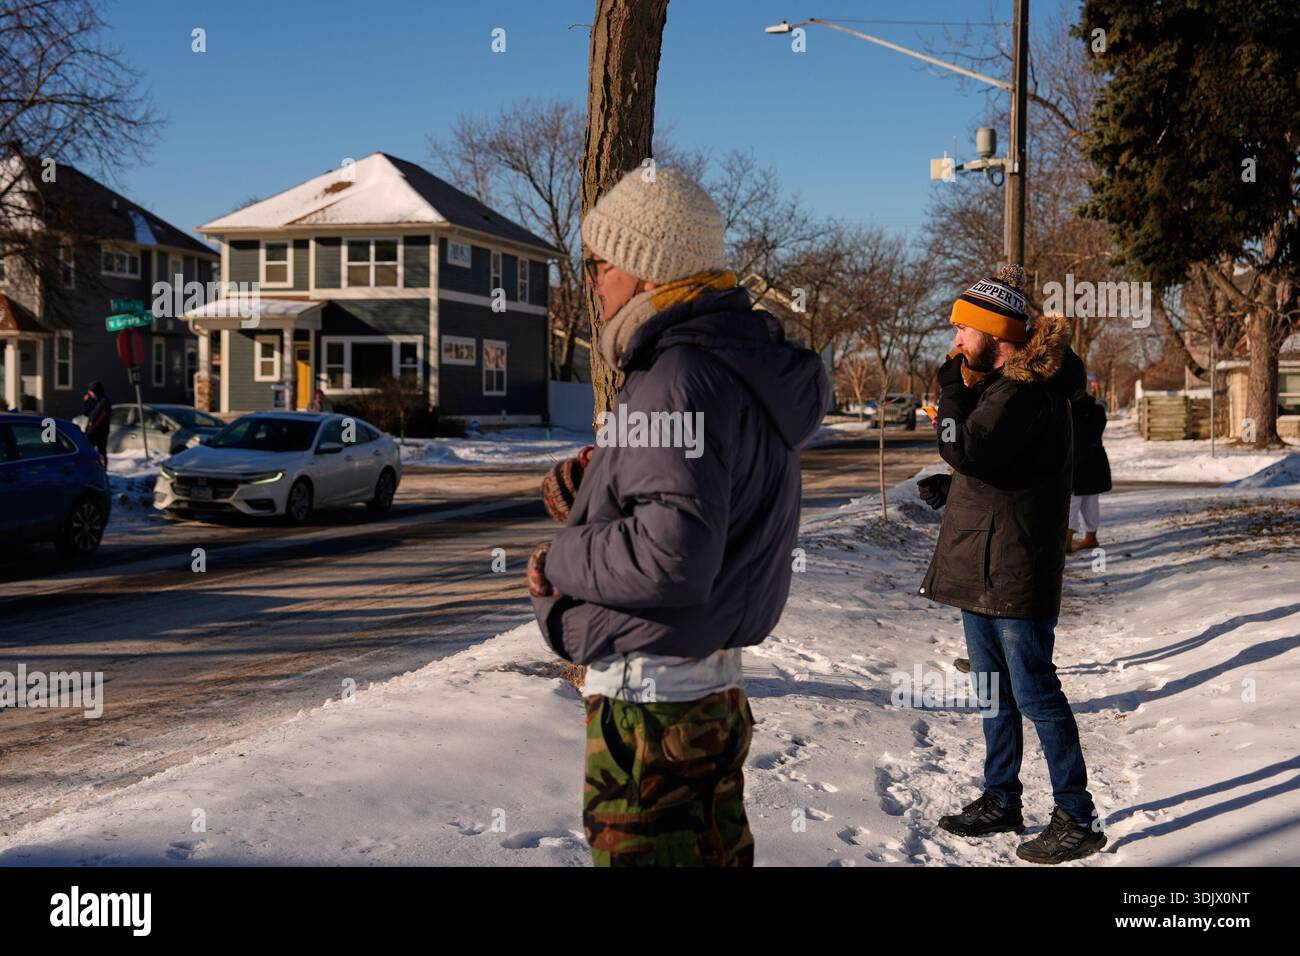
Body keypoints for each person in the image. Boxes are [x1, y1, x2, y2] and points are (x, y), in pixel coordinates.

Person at [527, 167, 830, 867]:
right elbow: (704, 504)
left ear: (643, 269)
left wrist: (558, 560)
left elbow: (670, 555)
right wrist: (598, 484)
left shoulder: (676, 379)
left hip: (651, 713)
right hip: (706, 694)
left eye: (599, 264)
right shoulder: (733, 366)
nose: (593, 282)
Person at [915, 265, 1106, 864]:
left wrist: (949, 386)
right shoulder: (1004, 389)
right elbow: (995, 467)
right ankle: (1001, 798)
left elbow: (962, 445)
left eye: (962, 331)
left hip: (1015, 567)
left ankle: (1076, 816)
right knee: (993, 689)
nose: (954, 343)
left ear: (994, 335)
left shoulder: (1024, 391)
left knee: (1034, 693)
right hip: (985, 560)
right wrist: (957, 495)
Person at [1066, 369, 1111, 552]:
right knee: (1091, 501)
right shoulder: (1097, 409)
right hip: (1095, 461)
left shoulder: (1069, 410)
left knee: (1073, 502)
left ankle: (1067, 541)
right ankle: (1091, 537)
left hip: (1077, 462)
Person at [81, 381, 112, 466]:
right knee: (88, 450)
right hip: (91, 431)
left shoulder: (104, 401)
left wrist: (94, 425)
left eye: (91, 391)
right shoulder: (92, 400)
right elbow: (85, 413)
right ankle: (90, 467)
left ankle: (103, 469)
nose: (89, 393)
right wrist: (85, 402)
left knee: (101, 451)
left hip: (101, 431)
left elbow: (102, 415)